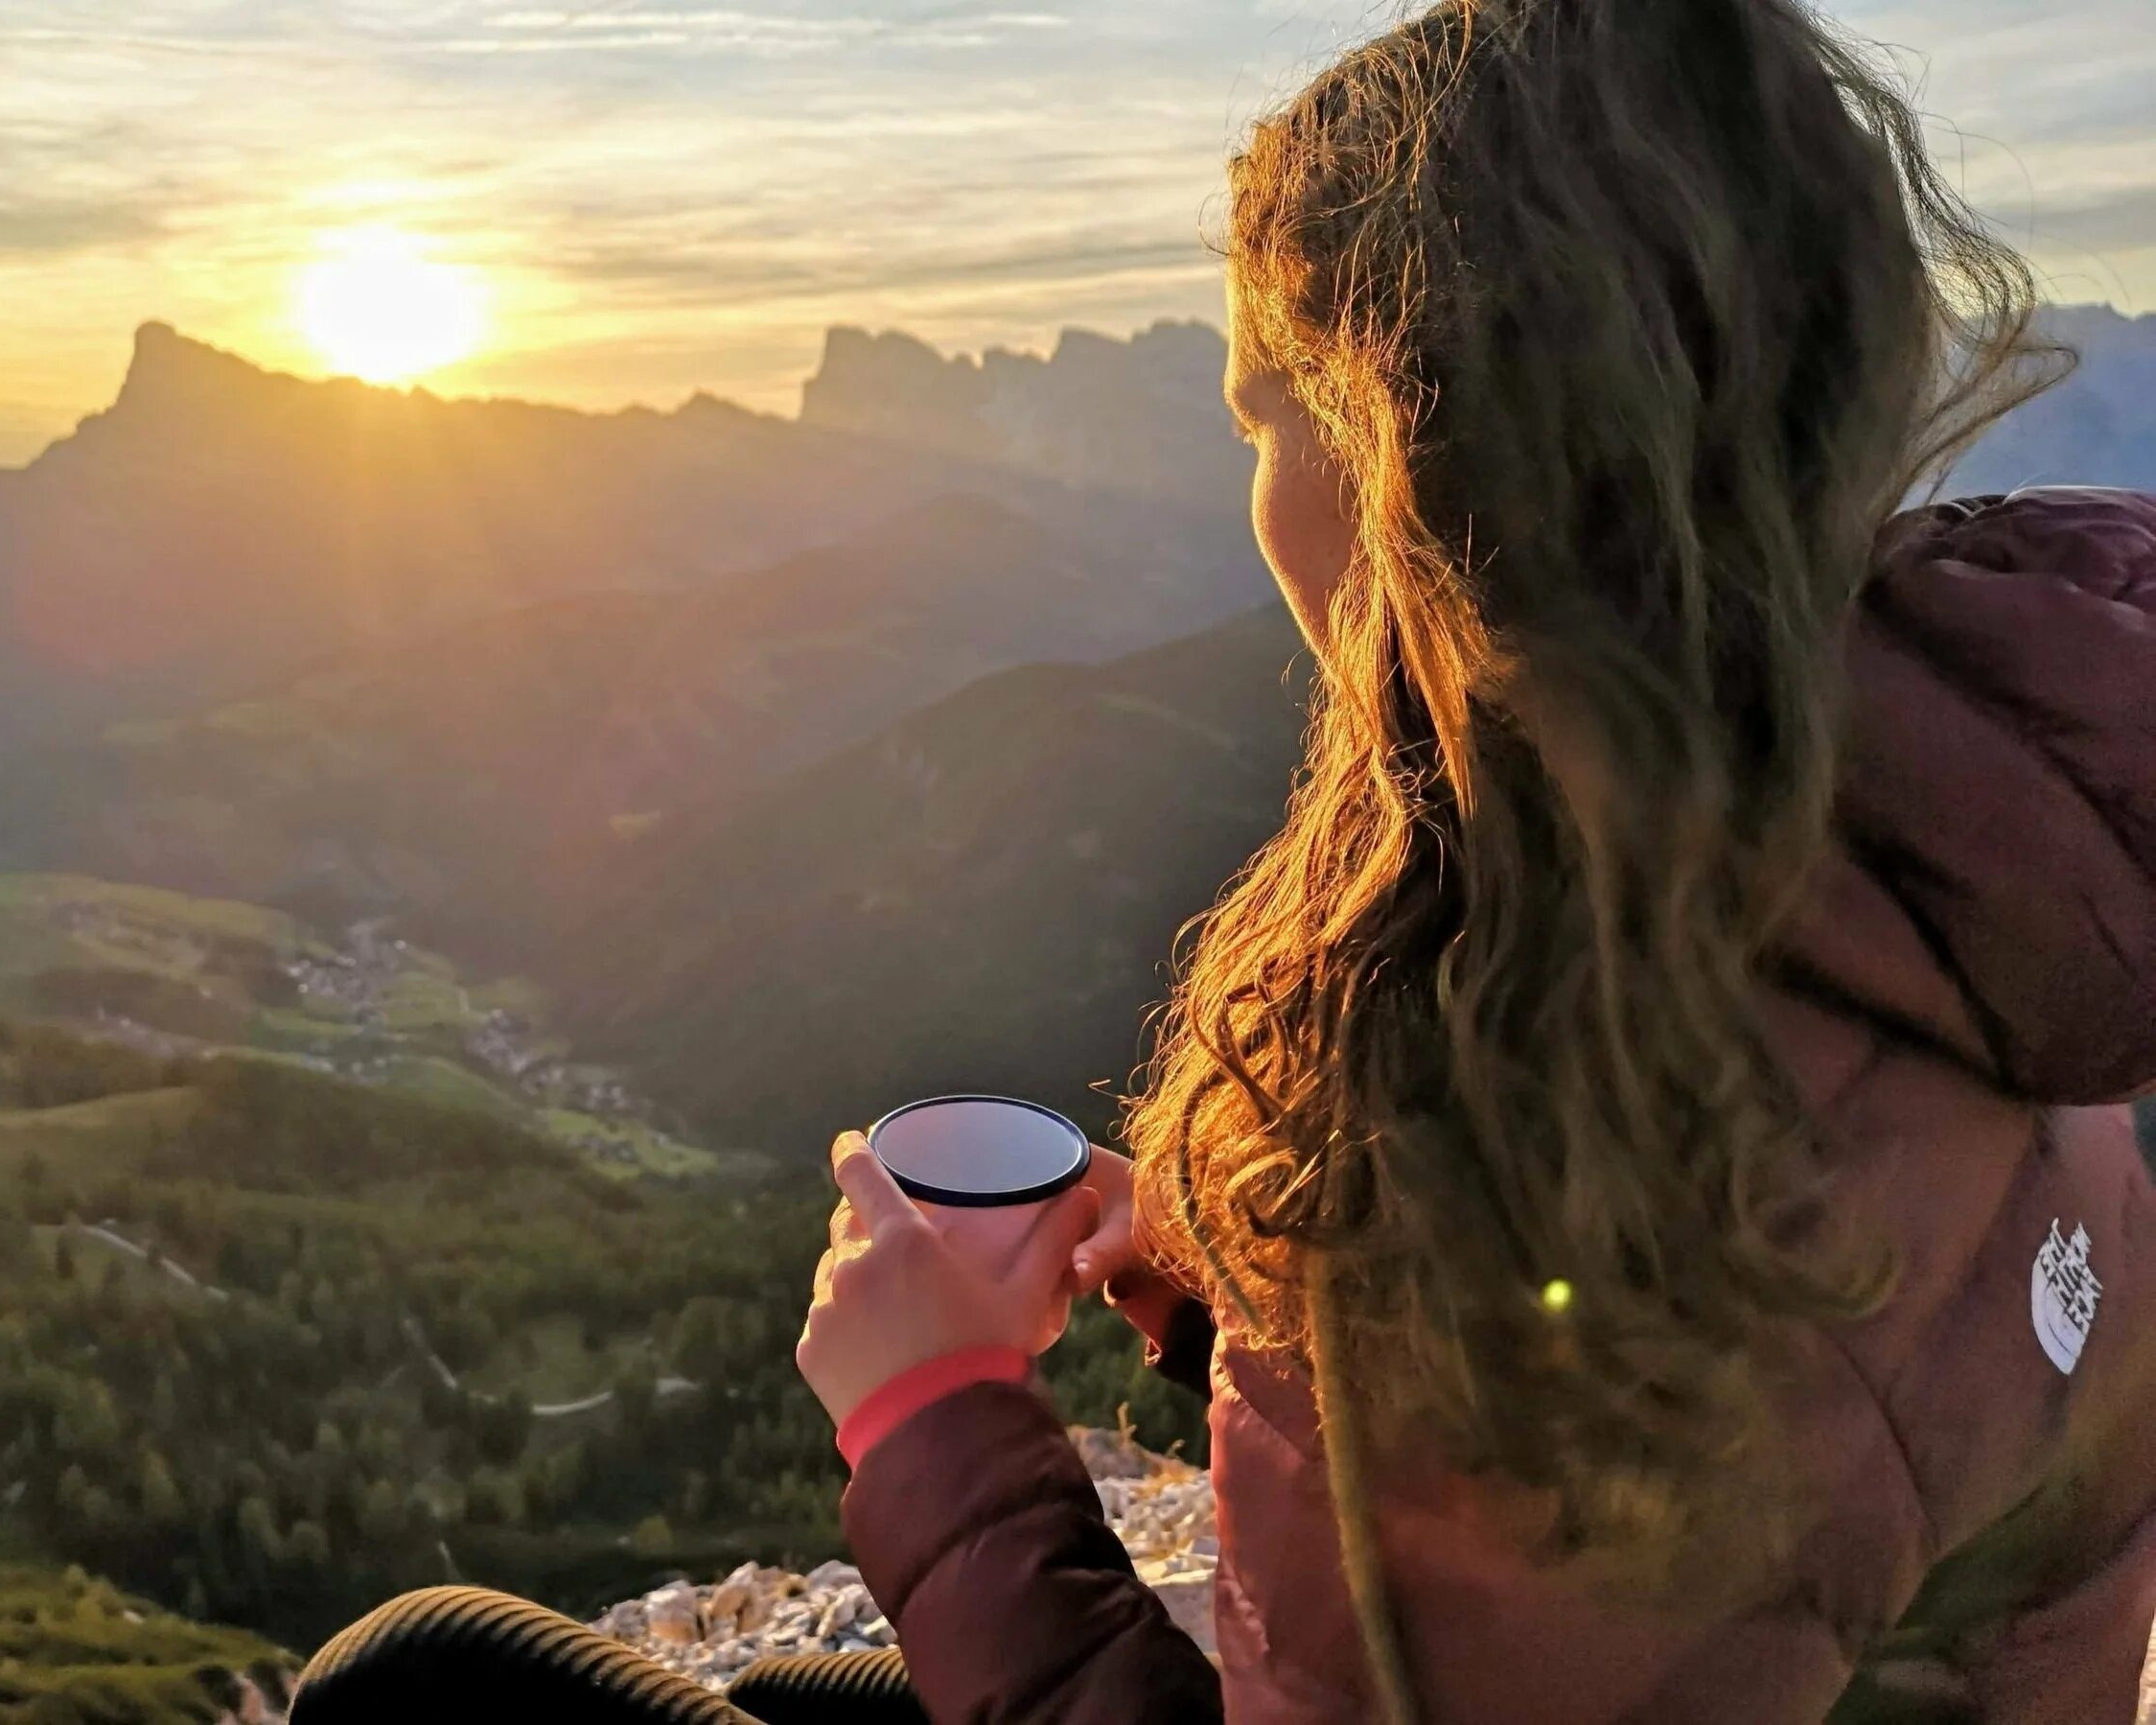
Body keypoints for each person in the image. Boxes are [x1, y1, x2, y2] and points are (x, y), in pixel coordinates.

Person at [296, 1, 2153, 1719]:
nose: (1253, 496)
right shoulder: (1963, 875)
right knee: (780, 1702)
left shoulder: (1522, 1133)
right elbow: (1641, 1528)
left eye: (1266, 418)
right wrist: (1235, 1300)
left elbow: (1609, 1483)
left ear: (1417, 469)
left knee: (422, 1679)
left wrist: (931, 1418)